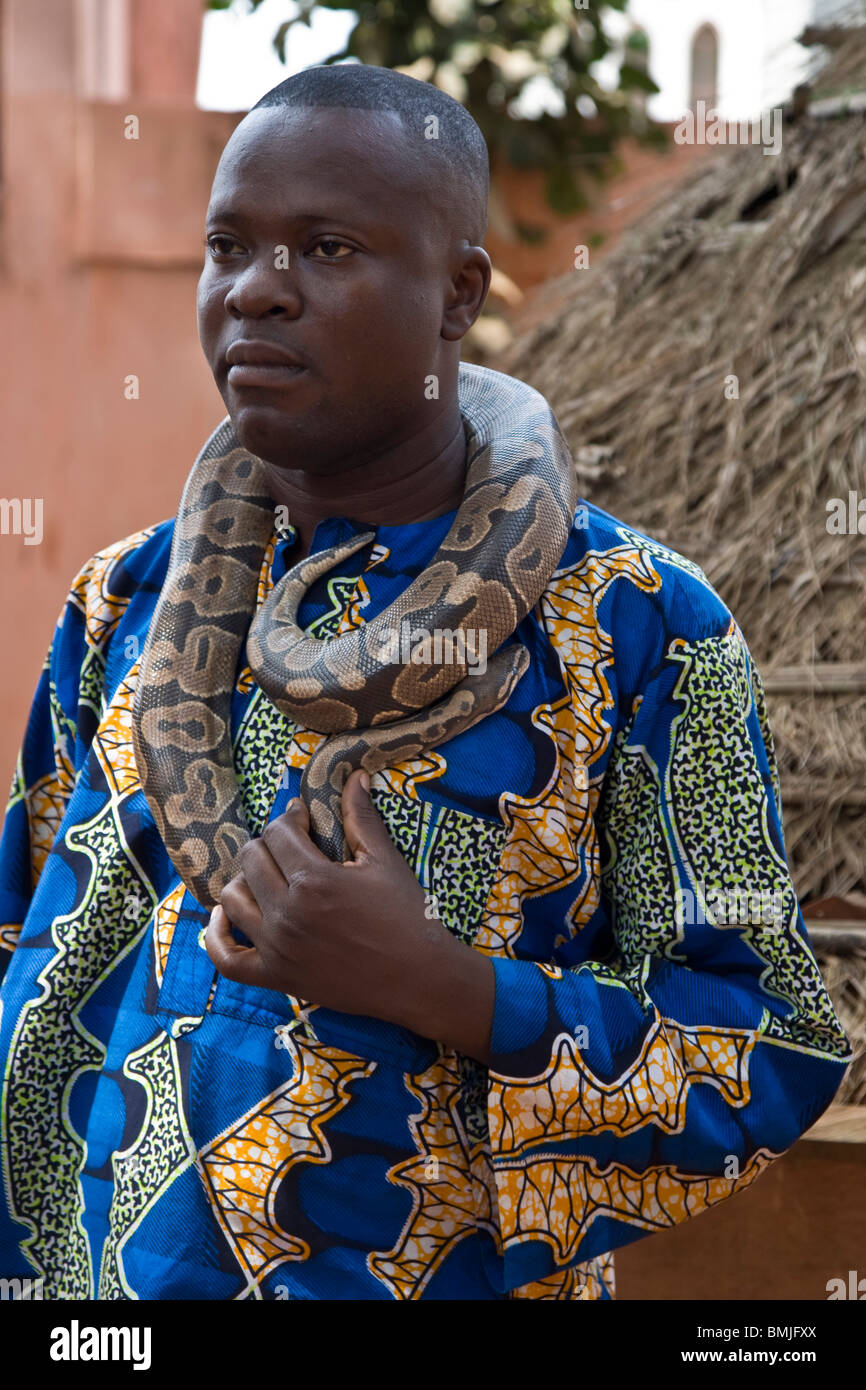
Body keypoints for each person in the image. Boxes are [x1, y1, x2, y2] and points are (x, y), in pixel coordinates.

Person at [0, 64, 850, 1302]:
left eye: (326, 248)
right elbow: (21, 942)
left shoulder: (646, 626)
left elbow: (767, 1048)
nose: (254, 291)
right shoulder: (117, 603)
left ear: (456, 293)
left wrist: (448, 988)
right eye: (226, 245)